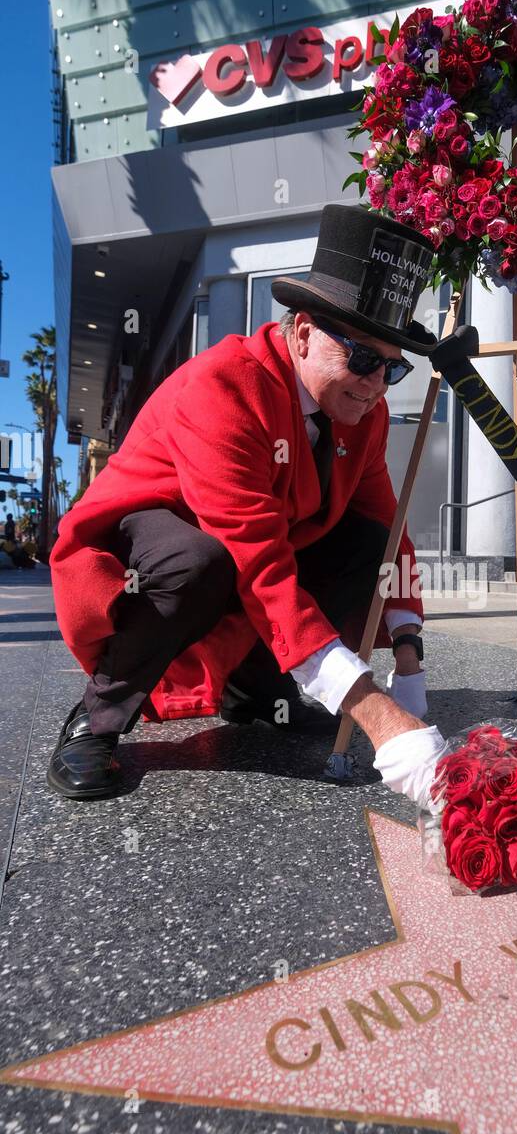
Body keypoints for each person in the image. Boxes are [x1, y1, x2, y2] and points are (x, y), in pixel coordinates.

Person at [47, 205, 448, 804]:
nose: (375, 384)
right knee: (200, 557)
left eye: (393, 367)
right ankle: (98, 716)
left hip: (250, 546)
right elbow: (254, 558)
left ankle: (258, 688)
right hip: (155, 543)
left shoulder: (366, 412)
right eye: (363, 359)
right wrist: (380, 716)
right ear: (306, 333)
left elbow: (389, 533)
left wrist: (410, 664)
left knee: (366, 544)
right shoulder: (223, 385)